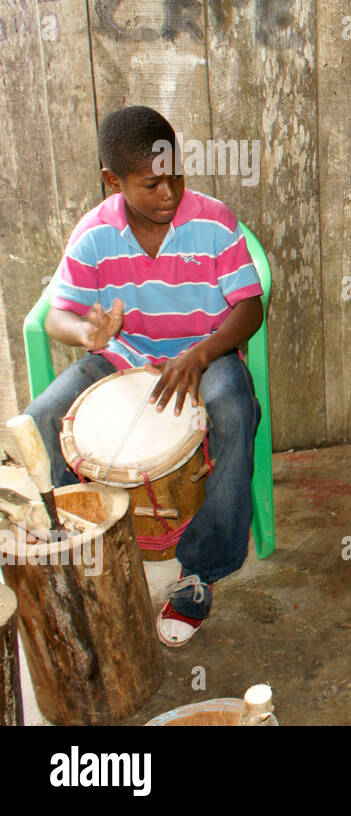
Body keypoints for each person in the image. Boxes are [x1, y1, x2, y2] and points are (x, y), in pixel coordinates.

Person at [24, 105, 264, 648]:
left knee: (234, 407)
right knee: (39, 422)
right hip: (122, 356)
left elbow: (249, 309)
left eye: (176, 176)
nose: (169, 193)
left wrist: (200, 355)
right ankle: (77, 553)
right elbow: (57, 313)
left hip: (206, 353)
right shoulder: (94, 233)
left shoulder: (212, 221)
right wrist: (88, 334)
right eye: (151, 183)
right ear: (114, 182)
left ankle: (202, 569)